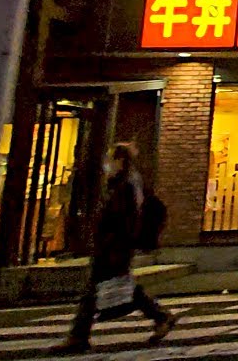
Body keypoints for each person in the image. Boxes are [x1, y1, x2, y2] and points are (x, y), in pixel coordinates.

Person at [53, 143, 177, 353]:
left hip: (114, 247)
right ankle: (160, 316)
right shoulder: (126, 183)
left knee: (95, 290)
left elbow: (123, 220)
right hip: (115, 246)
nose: (108, 165)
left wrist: (111, 244)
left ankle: (78, 336)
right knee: (115, 288)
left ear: (120, 161)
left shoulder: (126, 186)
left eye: (111, 160)